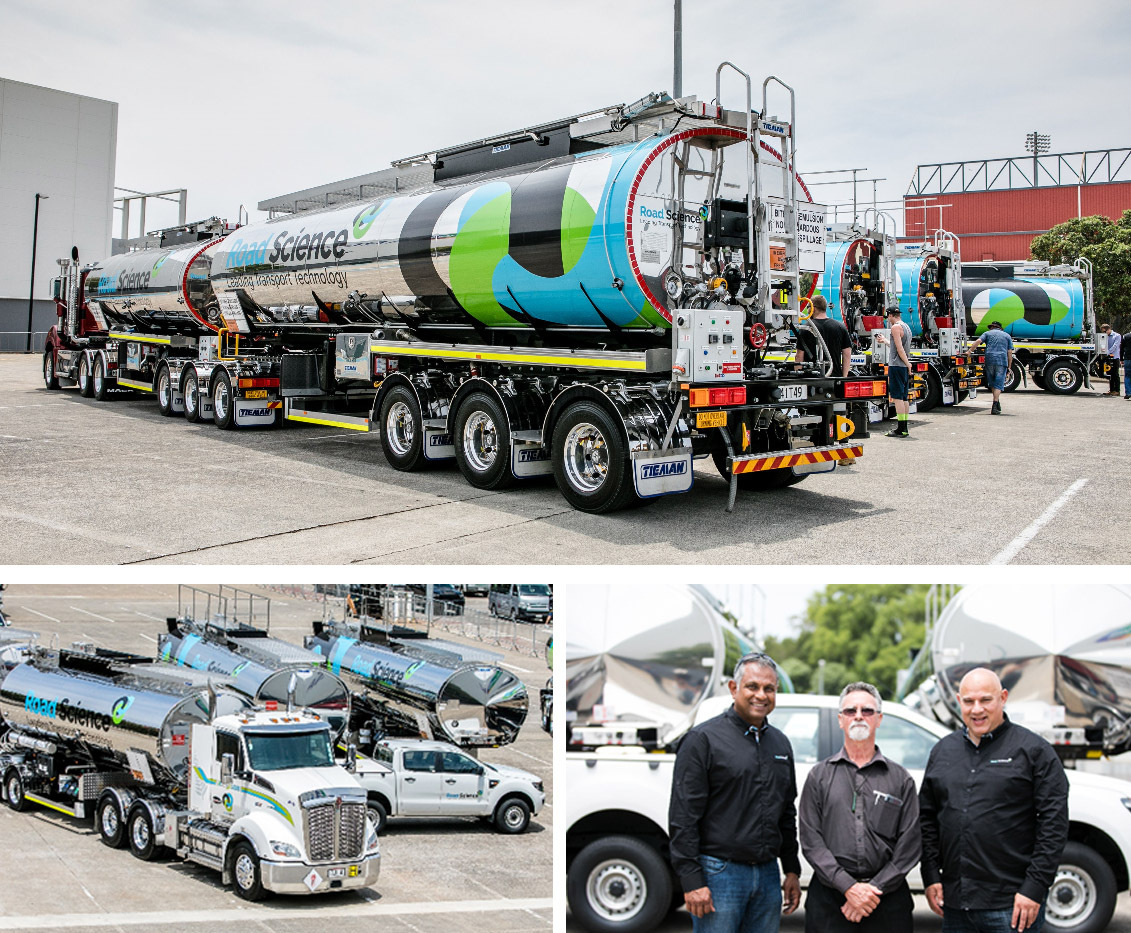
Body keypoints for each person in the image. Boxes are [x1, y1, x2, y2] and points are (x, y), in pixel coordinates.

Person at [919, 668, 1069, 933]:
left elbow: (1053, 826)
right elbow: (927, 819)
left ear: (1003, 697)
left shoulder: (1034, 751)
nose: (977, 709)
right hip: (955, 904)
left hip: (1012, 905)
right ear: (958, 701)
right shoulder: (943, 751)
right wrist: (931, 875)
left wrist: (1034, 888)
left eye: (985, 700)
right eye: (968, 701)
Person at [669, 652, 802, 932]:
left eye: (769, 689)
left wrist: (791, 868)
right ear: (734, 688)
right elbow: (683, 817)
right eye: (752, 686)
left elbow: (786, 812)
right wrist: (692, 880)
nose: (761, 695)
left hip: (767, 876)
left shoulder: (780, 744)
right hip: (719, 875)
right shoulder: (702, 740)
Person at [799, 683, 920, 933]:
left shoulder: (901, 778)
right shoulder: (818, 776)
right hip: (830, 900)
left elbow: (910, 845)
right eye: (850, 710)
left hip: (887, 900)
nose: (858, 716)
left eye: (867, 711)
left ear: (879, 719)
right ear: (841, 720)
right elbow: (811, 840)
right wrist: (848, 887)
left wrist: (872, 890)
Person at [875, 307, 911, 437]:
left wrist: (908, 364)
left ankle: (900, 428)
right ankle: (904, 427)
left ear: (890, 315)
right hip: (903, 367)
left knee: (897, 397)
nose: (887, 320)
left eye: (887, 317)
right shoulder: (906, 326)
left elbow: (900, 350)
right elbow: (897, 346)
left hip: (897, 365)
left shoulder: (895, 328)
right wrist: (885, 341)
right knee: (904, 397)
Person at [795, 295, 853, 377]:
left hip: (812, 379)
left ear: (813, 308)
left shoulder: (806, 328)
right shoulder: (840, 327)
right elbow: (847, 353)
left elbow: (799, 356)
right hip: (835, 377)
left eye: (808, 307)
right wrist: (843, 377)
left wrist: (798, 378)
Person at [968, 322, 1015, 414]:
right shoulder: (1007, 336)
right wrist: (1009, 366)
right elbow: (1009, 352)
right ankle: (995, 404)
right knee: (998, 383)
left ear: (992, 327)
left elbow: (978, 341)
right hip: (1001, 361)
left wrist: (969, 351)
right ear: (1000, 328)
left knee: (993, 382)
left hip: (989, 360)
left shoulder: (987, 333)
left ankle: (997, 402)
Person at [1102, 324, 1123, 395]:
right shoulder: (1106, 336)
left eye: (1105, 331)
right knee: (1110, 374)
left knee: (1115, 374)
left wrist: (1107, 352)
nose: (1104, 333)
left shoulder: (1117, 336)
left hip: (1115, 357)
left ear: (1108, 329)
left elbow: (1115, 346)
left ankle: (1117, 390)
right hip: (1108, 357)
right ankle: (1111, 390)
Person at [1123, 326, 1131, 399]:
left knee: (1127, 376)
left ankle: (1128, 392)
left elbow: (1121, 347)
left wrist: (1121, 358)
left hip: (1128, 358)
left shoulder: (1126, 336)